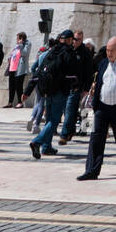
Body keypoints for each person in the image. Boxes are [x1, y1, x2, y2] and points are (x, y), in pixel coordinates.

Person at [77, 37, 116, 181]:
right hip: (102, 108)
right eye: (108, 50)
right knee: (96, 139)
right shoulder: (103, 63)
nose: (109, 53)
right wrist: (96, 104)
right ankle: (92, 170)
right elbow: (99, 83)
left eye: (112, 51)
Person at [29, 30, 80, 158]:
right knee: (54, 120)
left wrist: (28, 89)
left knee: (50, 119)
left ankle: (46, 147)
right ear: (68, 40)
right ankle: (37, 142)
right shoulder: (68, 52)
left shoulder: (52, 51)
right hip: (60, 91)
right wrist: (75, 86)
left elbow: (39, 69)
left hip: (48, 90)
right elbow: (72, 72)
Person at [58, 27, 93, 143]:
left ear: (81, 40)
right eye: (74, 39)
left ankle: (64, 135)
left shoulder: (85, 53)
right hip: (66, 86)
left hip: (77, 87)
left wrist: (86, 89)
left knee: (70, 110)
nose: (75, 41)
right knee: (69, 111)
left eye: (78, 39)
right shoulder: (69, 50)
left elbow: (89, 73)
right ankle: (71, 130)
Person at [4, 32, 31, 107]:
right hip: (12, 67)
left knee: (19, 85)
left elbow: (25, 53)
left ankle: (20, 102)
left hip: (20, 68)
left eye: (18, 38)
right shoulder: (17, 45)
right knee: (11, 85)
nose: (16, 39)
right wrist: (9, 58)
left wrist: (21, 44)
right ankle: (10, 102)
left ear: (21, 38)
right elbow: (13, 53)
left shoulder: (27, 44)